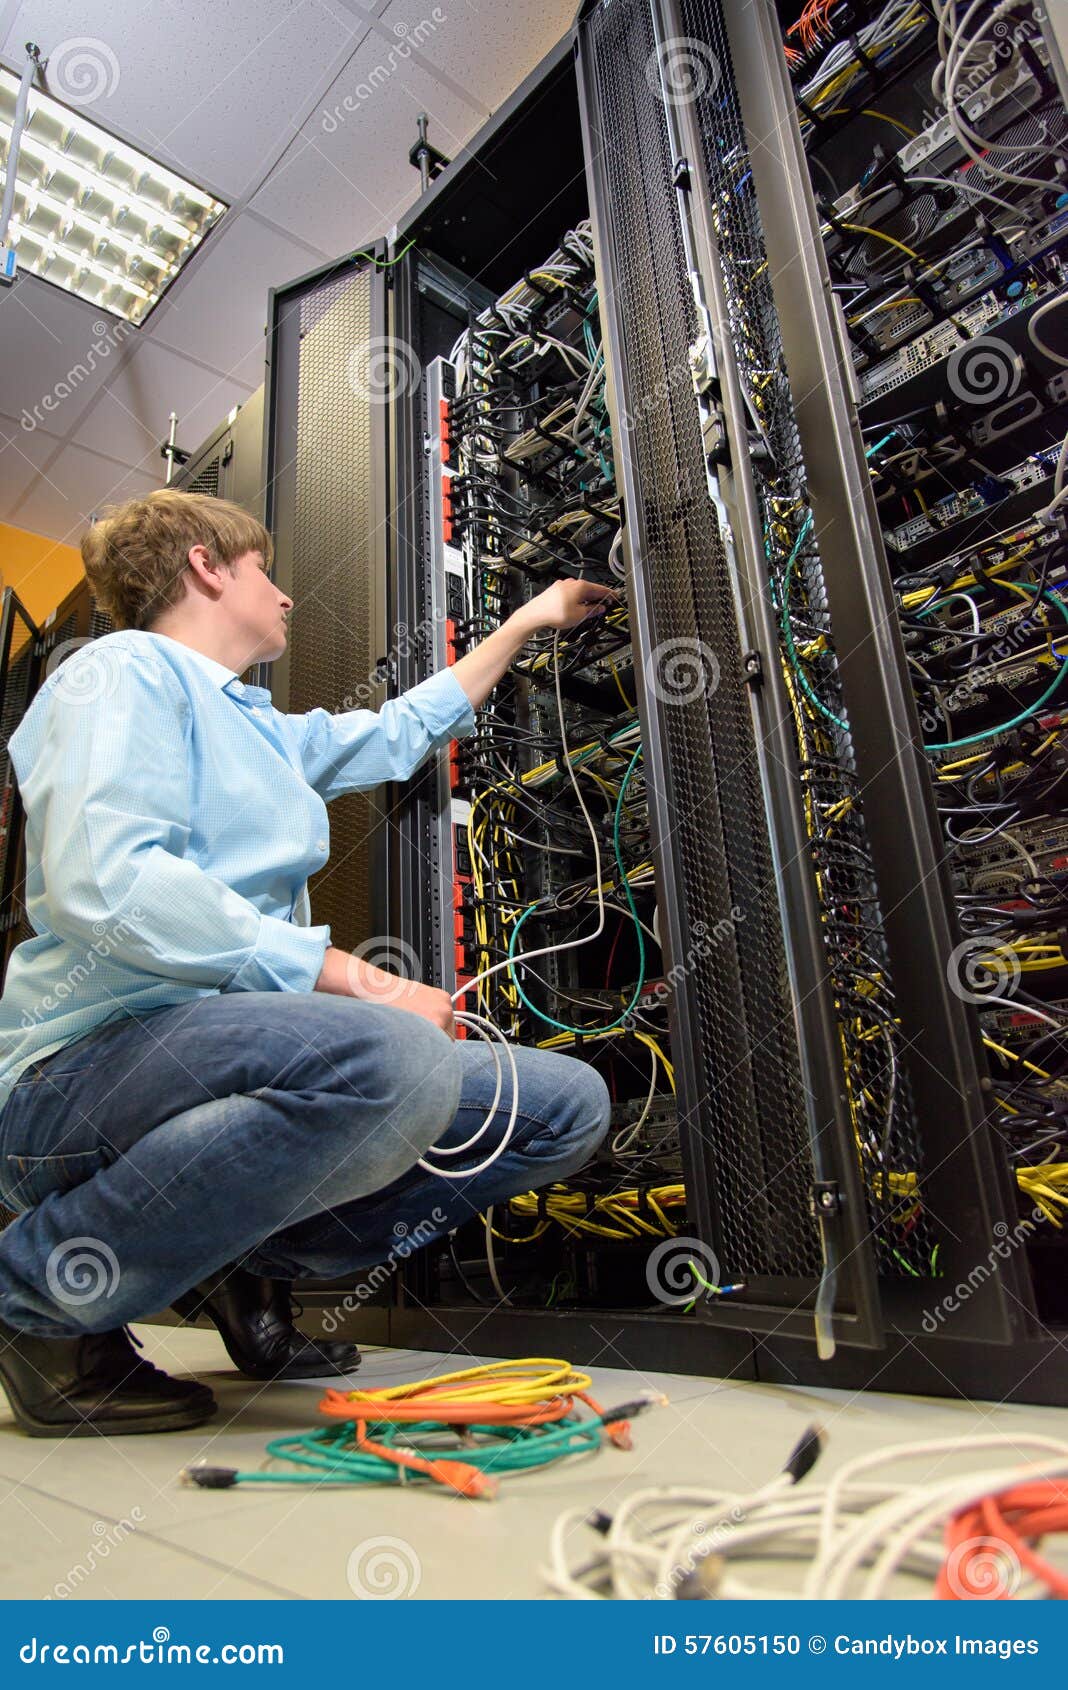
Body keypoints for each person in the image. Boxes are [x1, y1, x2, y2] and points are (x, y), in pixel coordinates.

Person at [0, 489, 614, 1437]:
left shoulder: (262, 731)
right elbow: (108, 881)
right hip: (75, 1083)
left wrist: (529, 620)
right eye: (265, 571)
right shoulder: (118, 672)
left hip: (211, 1062)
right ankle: (35, 1300)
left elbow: (402, 730)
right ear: (207, 566)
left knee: (564, 1105)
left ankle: (229, 1253)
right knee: (393, 1057)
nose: (285, 596)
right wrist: (359, 980)